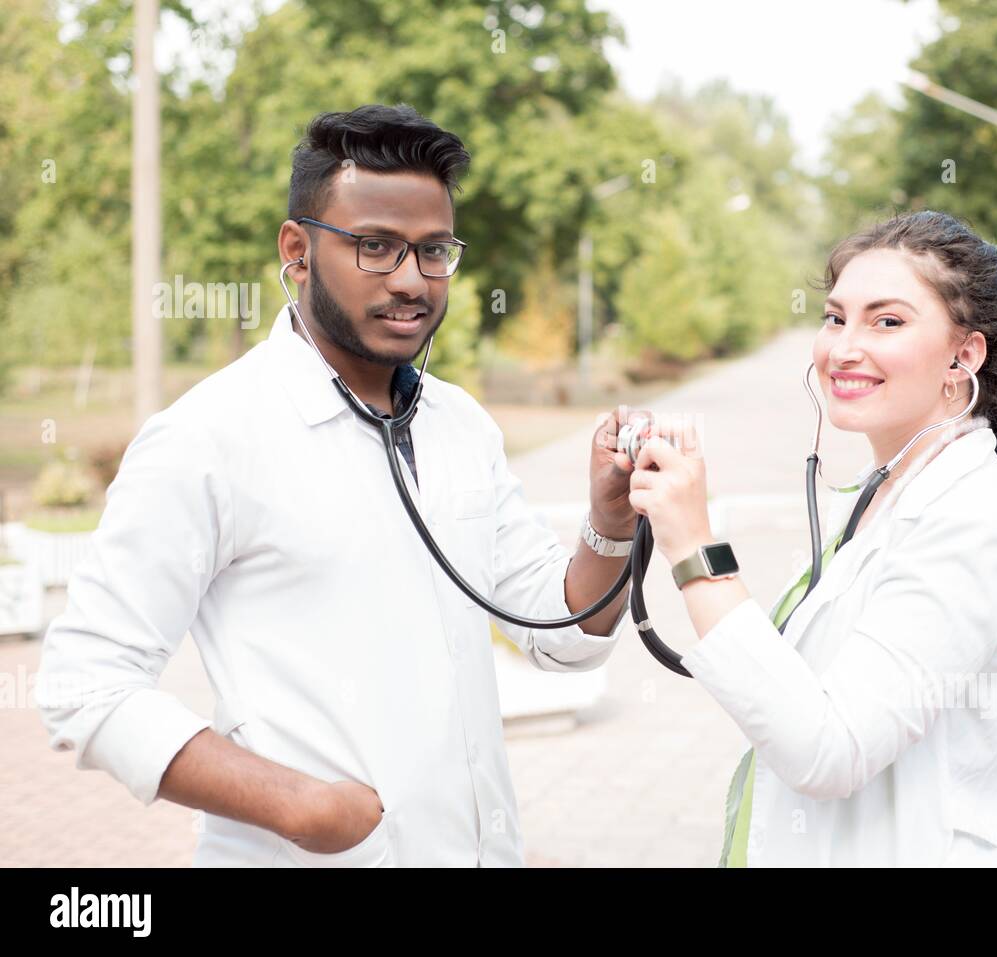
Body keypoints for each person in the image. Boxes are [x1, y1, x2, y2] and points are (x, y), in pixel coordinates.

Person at [34, 104, 642, 867]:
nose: (411, 280)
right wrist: (303, 806)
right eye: (375, 247)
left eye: (432, 251)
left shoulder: (461, 425)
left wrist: (609, 520)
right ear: (297, 249)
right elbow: (85, 683)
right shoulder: (208, 438)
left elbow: (563, 640)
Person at [624, 210, 997, 866]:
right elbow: (788, 690)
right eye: (835, 317)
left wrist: (692, 545)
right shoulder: (886, 489)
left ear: (963, 354)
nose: (844, 347)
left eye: (886, 321)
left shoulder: (974, 522)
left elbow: (826, 748)